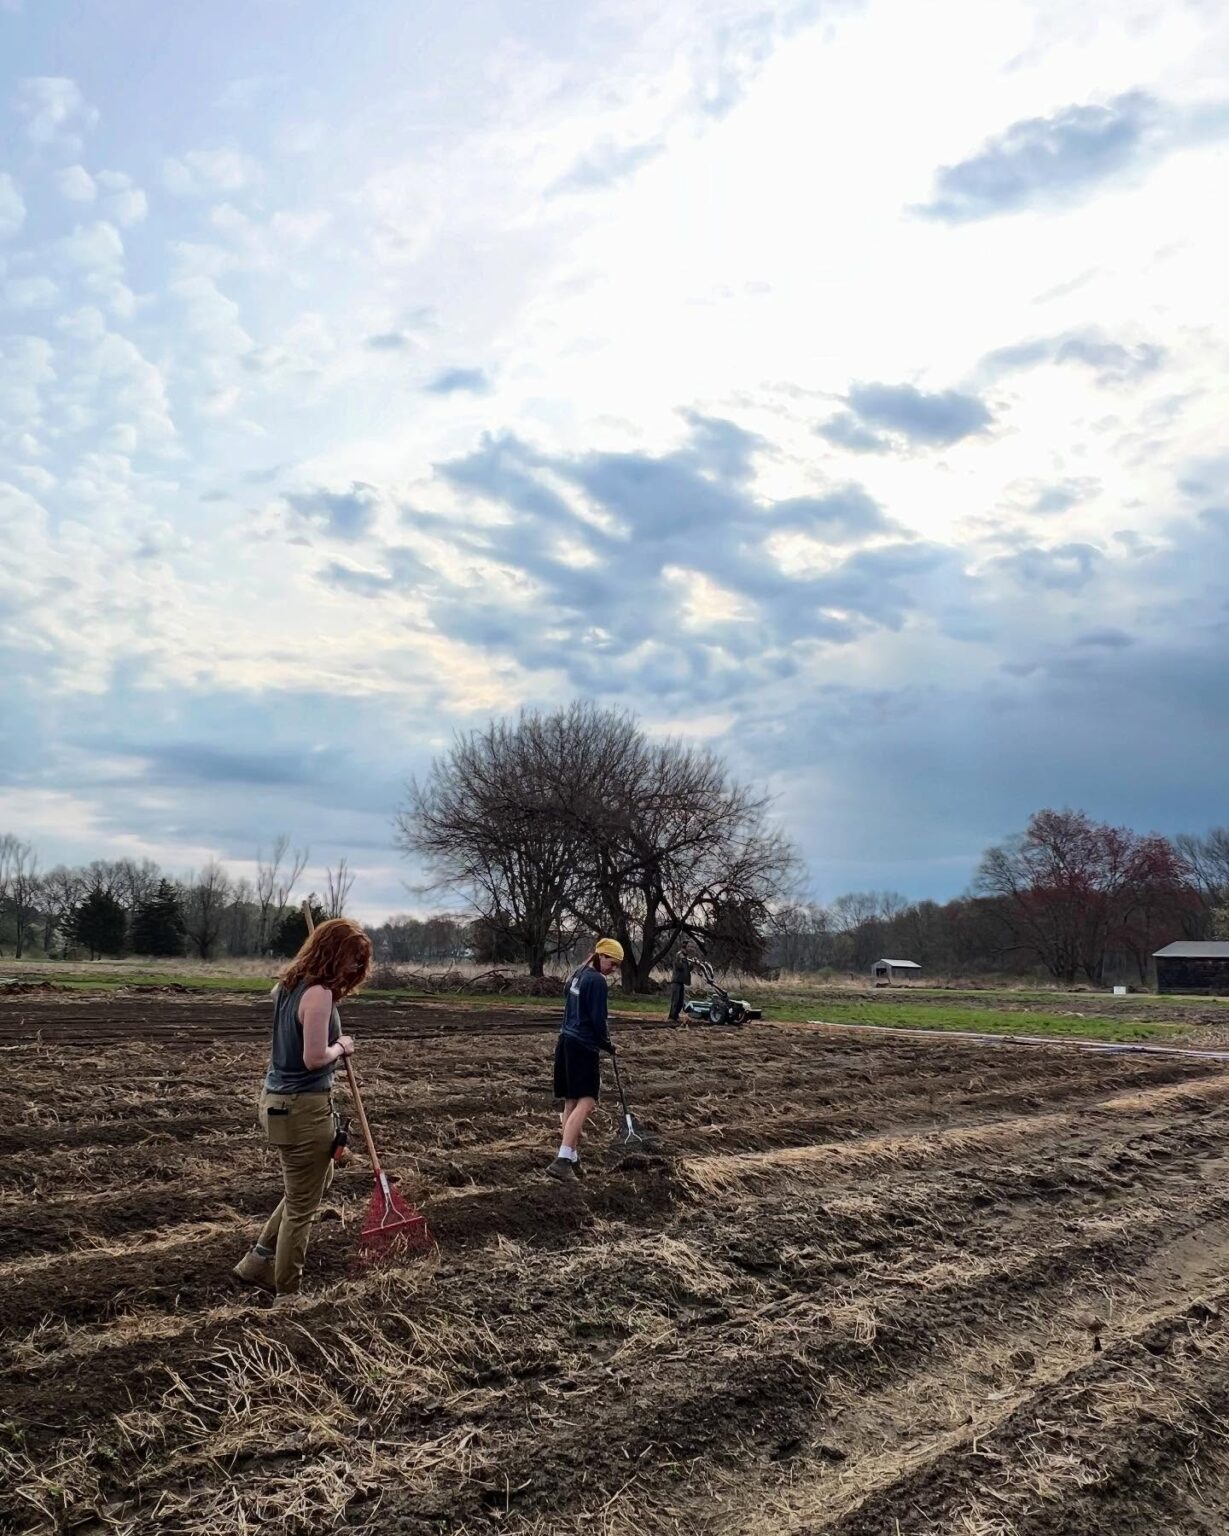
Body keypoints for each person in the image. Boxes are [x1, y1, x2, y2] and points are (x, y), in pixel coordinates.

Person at [233, 917, 372, 1297]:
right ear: (331, 953)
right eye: (351, 958)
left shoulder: (286, 985)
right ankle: (287, 1293)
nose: (356, 968)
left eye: (360, 961)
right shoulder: (318, 994)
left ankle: (257, 1260)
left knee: (313, 1183)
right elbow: (314, 1057)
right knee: (301, 1208)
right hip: (303, 1109)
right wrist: (341, 1046)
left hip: (275, 1102)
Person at [548, 937, 624, 1181]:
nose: (614, 969)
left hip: (566, 1042)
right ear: (601, 956)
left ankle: (572, 1157)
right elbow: (597, 1019)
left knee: (571, 1102)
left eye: (618, 965)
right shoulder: (598, 981)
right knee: (588, 1101)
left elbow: (569, 996)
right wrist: (608, 1046)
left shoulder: (578, 973)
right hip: (583, 1045)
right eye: (613, 963)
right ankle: (562, 1160)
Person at [668, 944, 694, 1022]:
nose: (690, 948)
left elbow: (687, 969)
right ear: (684, 948)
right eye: (689, 947)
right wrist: (686, 961)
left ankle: (676, 1016)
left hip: (681, 982)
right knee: (675, 1000)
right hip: (676, 981)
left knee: (680, 1000)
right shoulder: (679, 955)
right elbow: (679, 966)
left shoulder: (685, 957)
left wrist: (692, 964)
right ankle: (672, 1017)